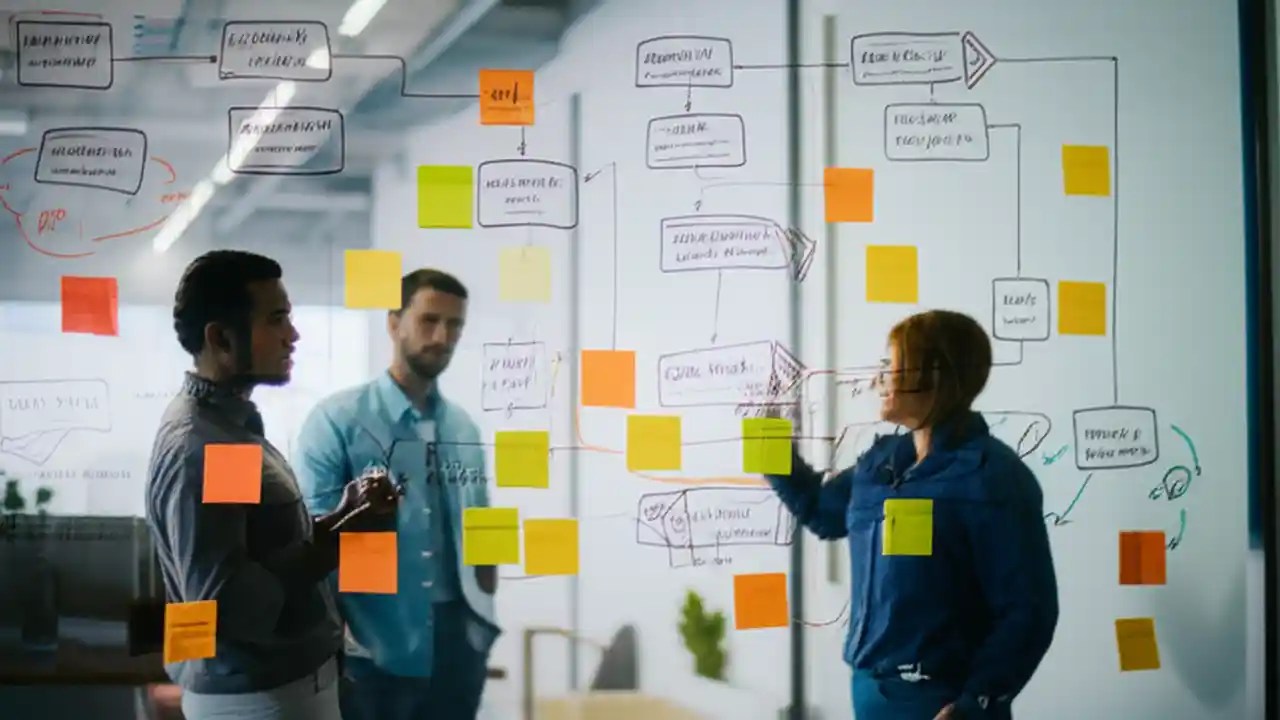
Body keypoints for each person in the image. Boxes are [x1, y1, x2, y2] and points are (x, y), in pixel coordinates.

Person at [764, 309, 1059, 720]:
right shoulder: (880, 464)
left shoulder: (994, 477)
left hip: (940, 702)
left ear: (935, 374)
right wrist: (764, 436)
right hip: (868, 691)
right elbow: (818, 512)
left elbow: (1029, 609)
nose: (878, 380)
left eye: (892, 366)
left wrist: (977, 703)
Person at [145, 250, 398, 720]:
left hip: (281, 692)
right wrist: (338, 539)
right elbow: (231, 605)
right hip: (261, 702)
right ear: (221, 338)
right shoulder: (207, 445)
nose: (293, 335)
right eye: (276, 318)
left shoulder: (229, 428)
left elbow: (257, 554)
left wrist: (345, 515)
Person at [295, 268, 500, 720]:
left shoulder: (462, 427)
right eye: (429, 320)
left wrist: (482, 621)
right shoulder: (337, 421)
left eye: (455, 325)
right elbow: (312, 540)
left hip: (456, 646)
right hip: (372, 647)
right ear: (394, 323)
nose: (442, 336)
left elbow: (482, 528)